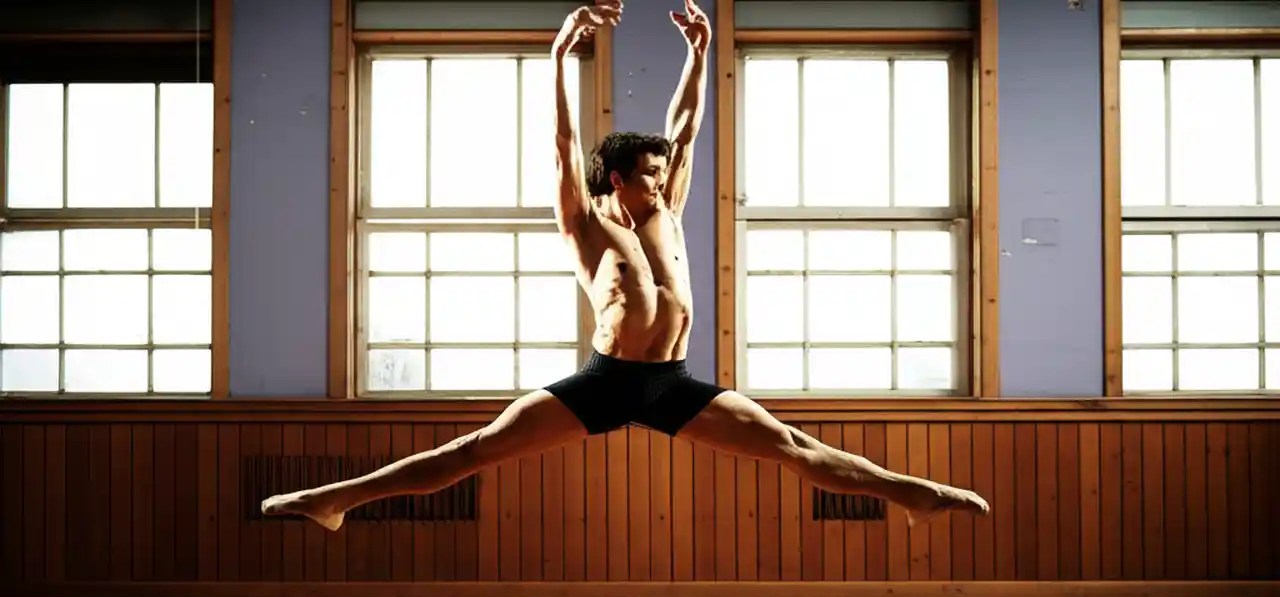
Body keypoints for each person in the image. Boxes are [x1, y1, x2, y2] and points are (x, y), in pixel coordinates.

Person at [262, 0, 989, 532]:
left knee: (794, 447)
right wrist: (557, 54)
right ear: (617, 179)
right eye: (647, 169)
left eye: (663, 167)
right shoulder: (585, 222)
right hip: (605, 382)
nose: (663, 175)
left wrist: (700, 55)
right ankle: (332, 500)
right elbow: (559, 141)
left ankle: (910, 494)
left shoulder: (667, 209)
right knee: (474, 451)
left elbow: (688, 123)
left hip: (670, 382)